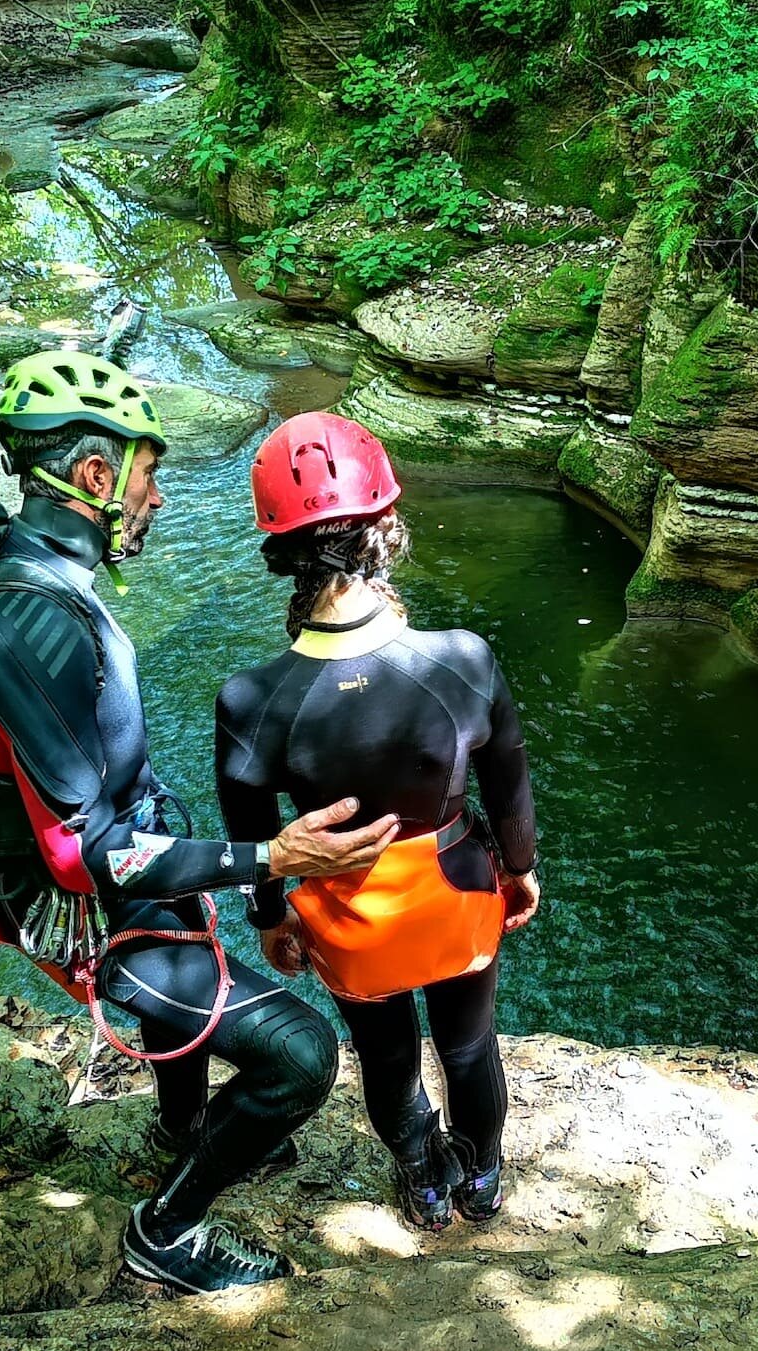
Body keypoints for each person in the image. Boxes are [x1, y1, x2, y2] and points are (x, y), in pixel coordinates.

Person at [0, 353, 399, 1293]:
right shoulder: (28, 621)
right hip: (89, 908)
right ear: (96, 478)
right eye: (150, 473)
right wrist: (272, 854)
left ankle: (184, 1132)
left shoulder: (26, 566)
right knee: (301, 1059)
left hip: (124, 860)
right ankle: (168, 1229)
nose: (157, 497)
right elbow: (92, 858)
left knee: (197, 972)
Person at [215, 412, 541, 1232]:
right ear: (385, 529)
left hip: (346, 910)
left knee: (386, 1054)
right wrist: (520, 866)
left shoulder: (250, 701)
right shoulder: (463, 658)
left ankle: (424, 1182)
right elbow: (508, 779)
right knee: (468, 1045)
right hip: (455, 888)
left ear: (280, 552)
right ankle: (484, 1177)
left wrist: (269, 918)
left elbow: (255, 835)